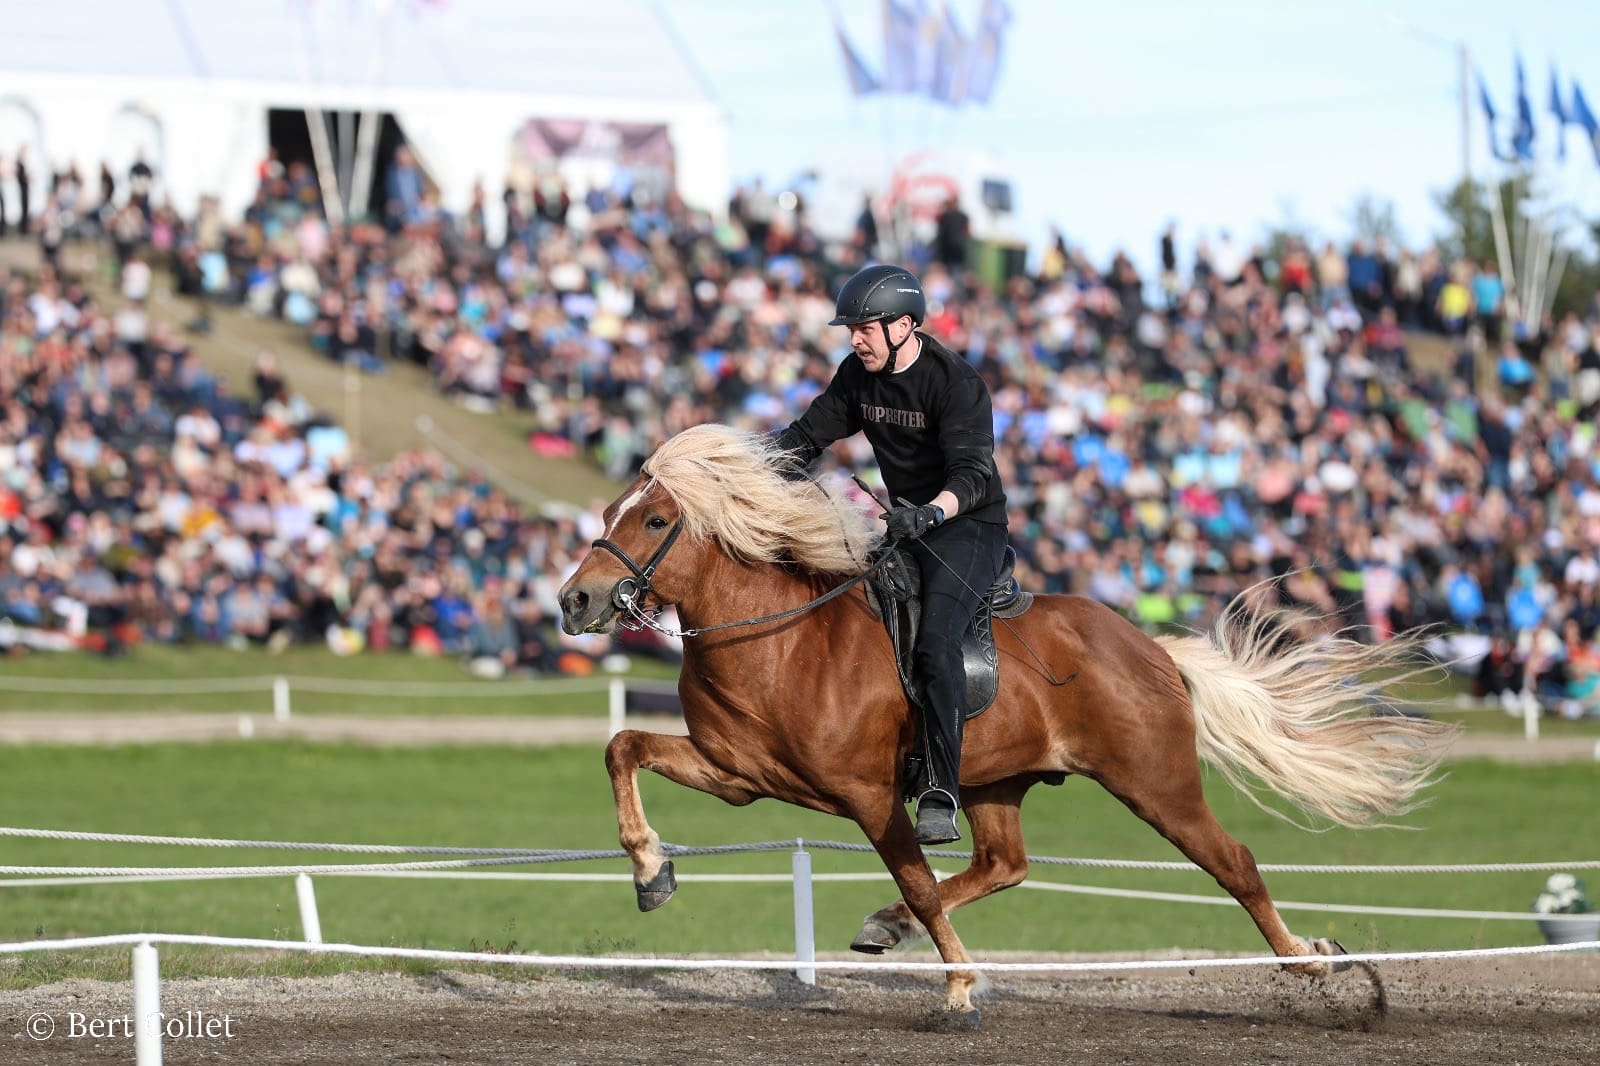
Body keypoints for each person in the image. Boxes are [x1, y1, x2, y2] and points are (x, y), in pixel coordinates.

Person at [770, 263, 1008, 845]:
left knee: (935, 643)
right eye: (851, 328)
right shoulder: (857, 374)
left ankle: (940, 789)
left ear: (904, 325)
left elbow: (974, 476)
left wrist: (929, 512)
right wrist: (740, 469)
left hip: (965, 525)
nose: (855, 338)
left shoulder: (955, 382)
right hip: (903, 524)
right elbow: (804, 440)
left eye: (866, 327)